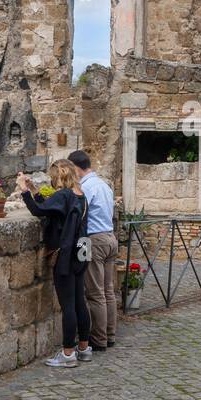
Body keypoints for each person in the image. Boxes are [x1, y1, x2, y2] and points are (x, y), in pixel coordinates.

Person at [17, 160, 90, 368]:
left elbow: (39, 211)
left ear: (58, 175)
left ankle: (68, 354)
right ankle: (84, 349)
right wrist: (33, 189)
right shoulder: (80, 195)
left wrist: (23, 191)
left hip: (65, 254)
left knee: (68, 305)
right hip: (81, 253)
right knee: (79, 302)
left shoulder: (63, 195)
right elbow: (52, 210)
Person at [68, 149, 118, 350]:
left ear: (76, 169)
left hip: (93, 241)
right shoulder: (104, 185)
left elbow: (78, 213)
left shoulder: (86, 188)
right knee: (108, 291)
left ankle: (98, 340)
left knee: (95, 293)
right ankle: (110, 334)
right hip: (110, 238)